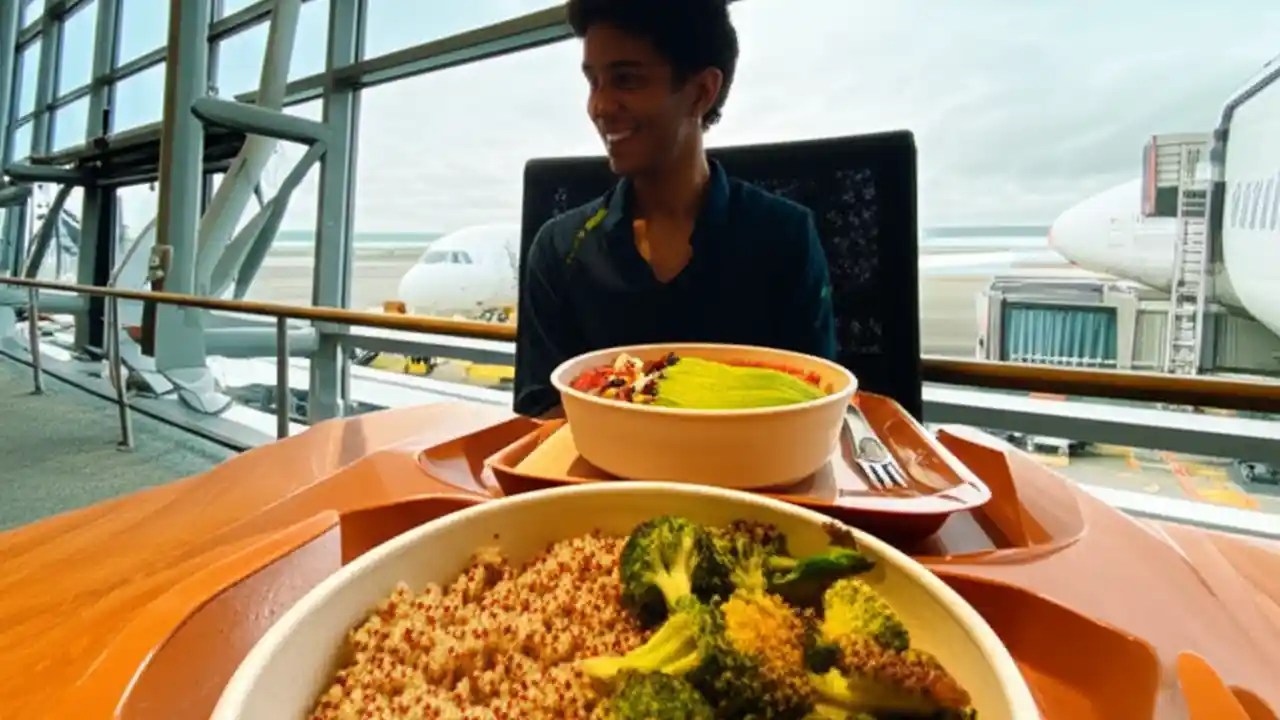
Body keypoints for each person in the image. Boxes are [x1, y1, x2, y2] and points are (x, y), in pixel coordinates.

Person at [513, 0, 837, 417]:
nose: (600, 106)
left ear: (701, 91)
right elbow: (541, 413)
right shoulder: (561, 249)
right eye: (594, 82)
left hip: (752, 476)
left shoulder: (783, 238)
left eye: (625, 80)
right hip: (599, 479)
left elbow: (817, 407)